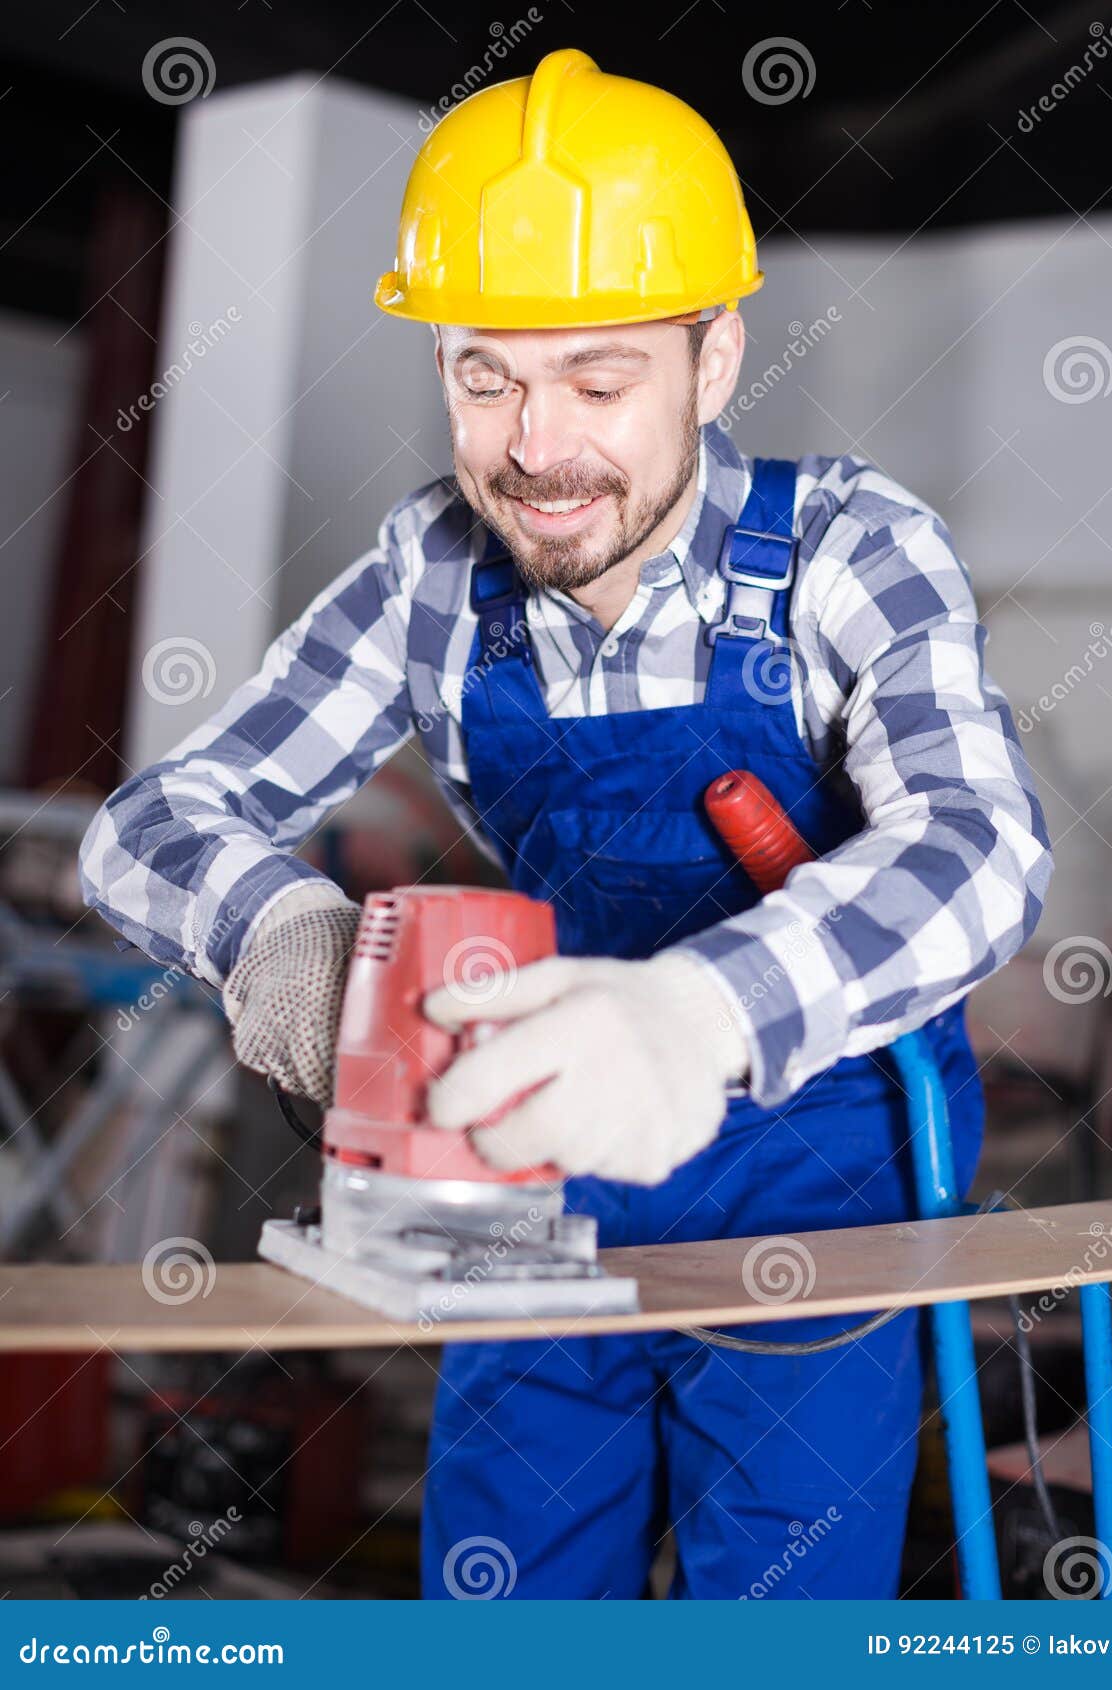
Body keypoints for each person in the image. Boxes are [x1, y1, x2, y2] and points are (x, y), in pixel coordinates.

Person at [80, 47, 1052, 1598]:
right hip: (521, 1204)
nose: (536, 446)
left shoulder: (850, 551)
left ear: (713, 359)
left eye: (599, 379)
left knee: (776, 1631)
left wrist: (700, 1014)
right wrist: (282, 932)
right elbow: (146, 826)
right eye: (485, 374)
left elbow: (981, 847)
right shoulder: (432, 577)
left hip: (813, 1198)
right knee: (508, 1617)